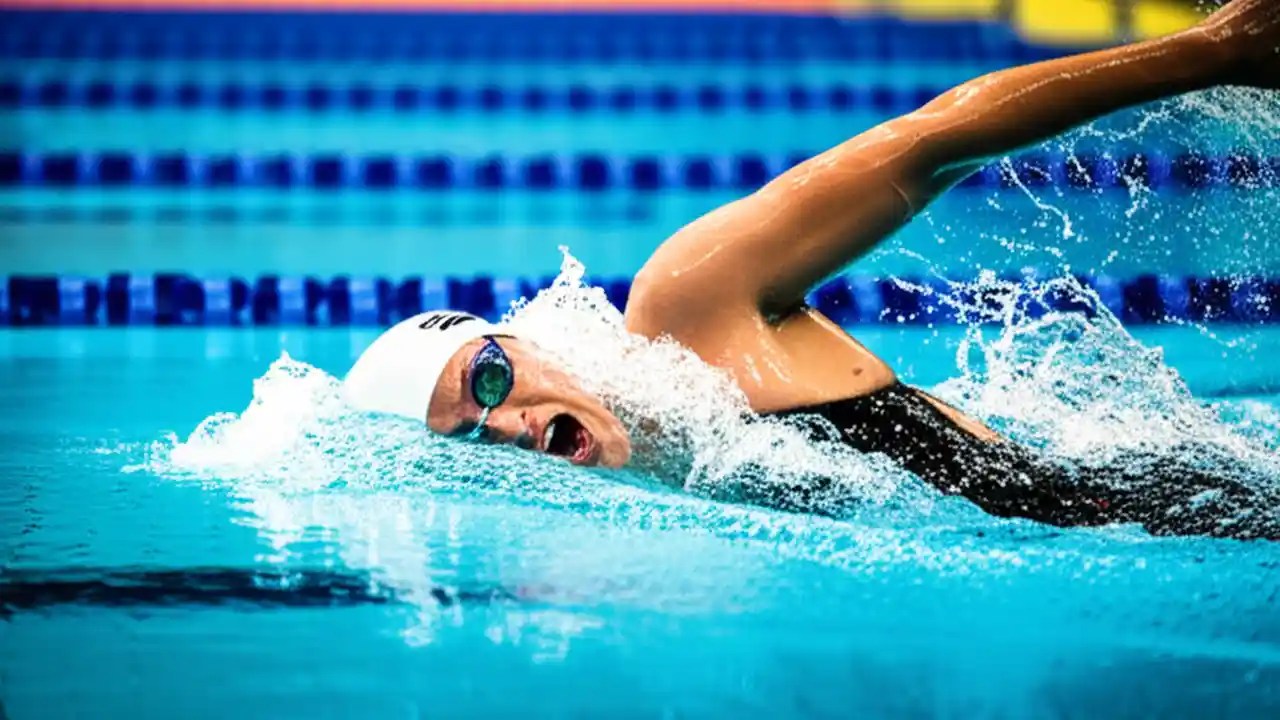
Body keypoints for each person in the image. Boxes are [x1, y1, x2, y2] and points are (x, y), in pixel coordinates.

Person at [345, 0, 1280, 540]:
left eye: (489, 382)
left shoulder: (688, 309)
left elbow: (933, 140)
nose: (508, 428)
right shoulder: (633, 496)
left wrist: (1213, 52)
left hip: (1168, 509)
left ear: (521, 343)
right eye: (471, 440)